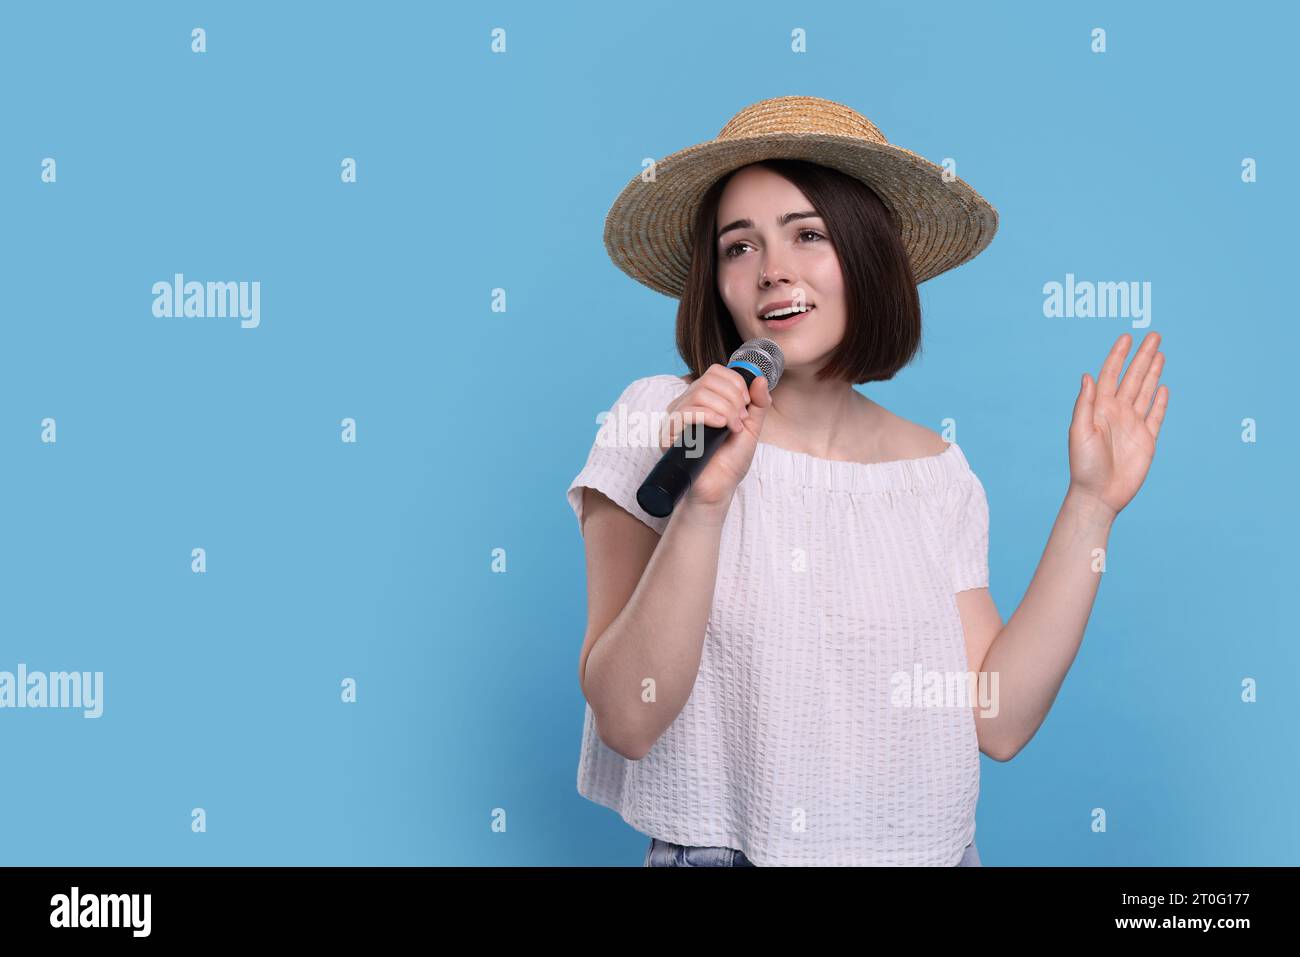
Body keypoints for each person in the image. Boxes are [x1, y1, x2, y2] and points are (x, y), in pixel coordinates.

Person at [566, 95, 1169, 867]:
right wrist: (704, 504)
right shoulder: (658, 418)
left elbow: (997, 720)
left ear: (867, 256)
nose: (773, 270)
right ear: (715, 281)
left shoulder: (935, 473)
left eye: (808, 234)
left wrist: (1091, 505)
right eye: (738, 247)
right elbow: (627, 717)